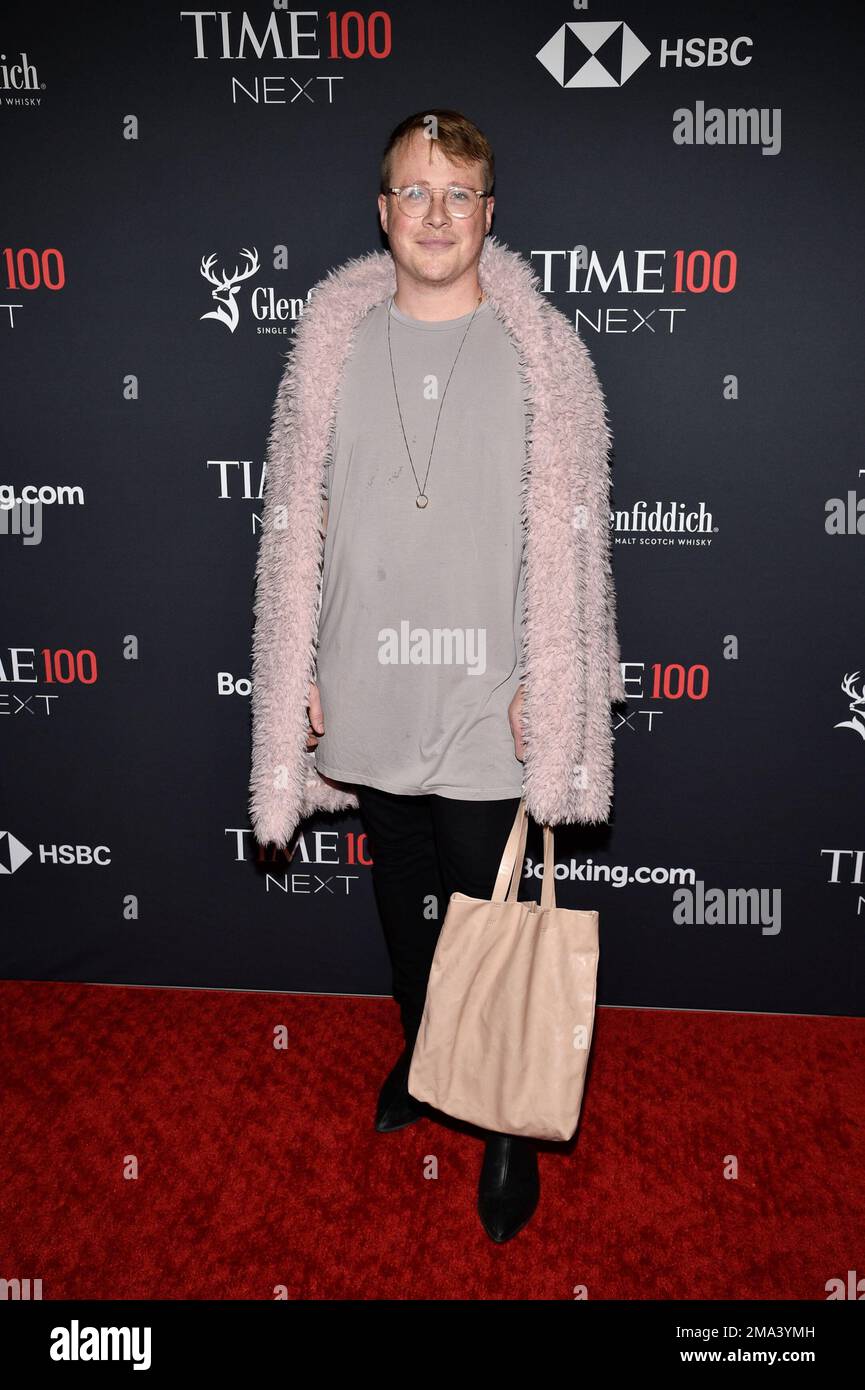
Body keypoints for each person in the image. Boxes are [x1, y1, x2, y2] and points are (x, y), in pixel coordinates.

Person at [249, 109, 625, 1243]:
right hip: (367, 680)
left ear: (488, 215)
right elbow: (293, 528)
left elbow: (572, 540)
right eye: (414, 192)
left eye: (458, 195)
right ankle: (423, 1052)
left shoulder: (541, 350)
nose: (435, 215)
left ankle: (505, 1117)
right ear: (383, 210)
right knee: (402, 889)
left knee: (487, 908)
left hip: (487, 690)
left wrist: (547, 680)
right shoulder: (329, 337)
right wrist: (299, 667)